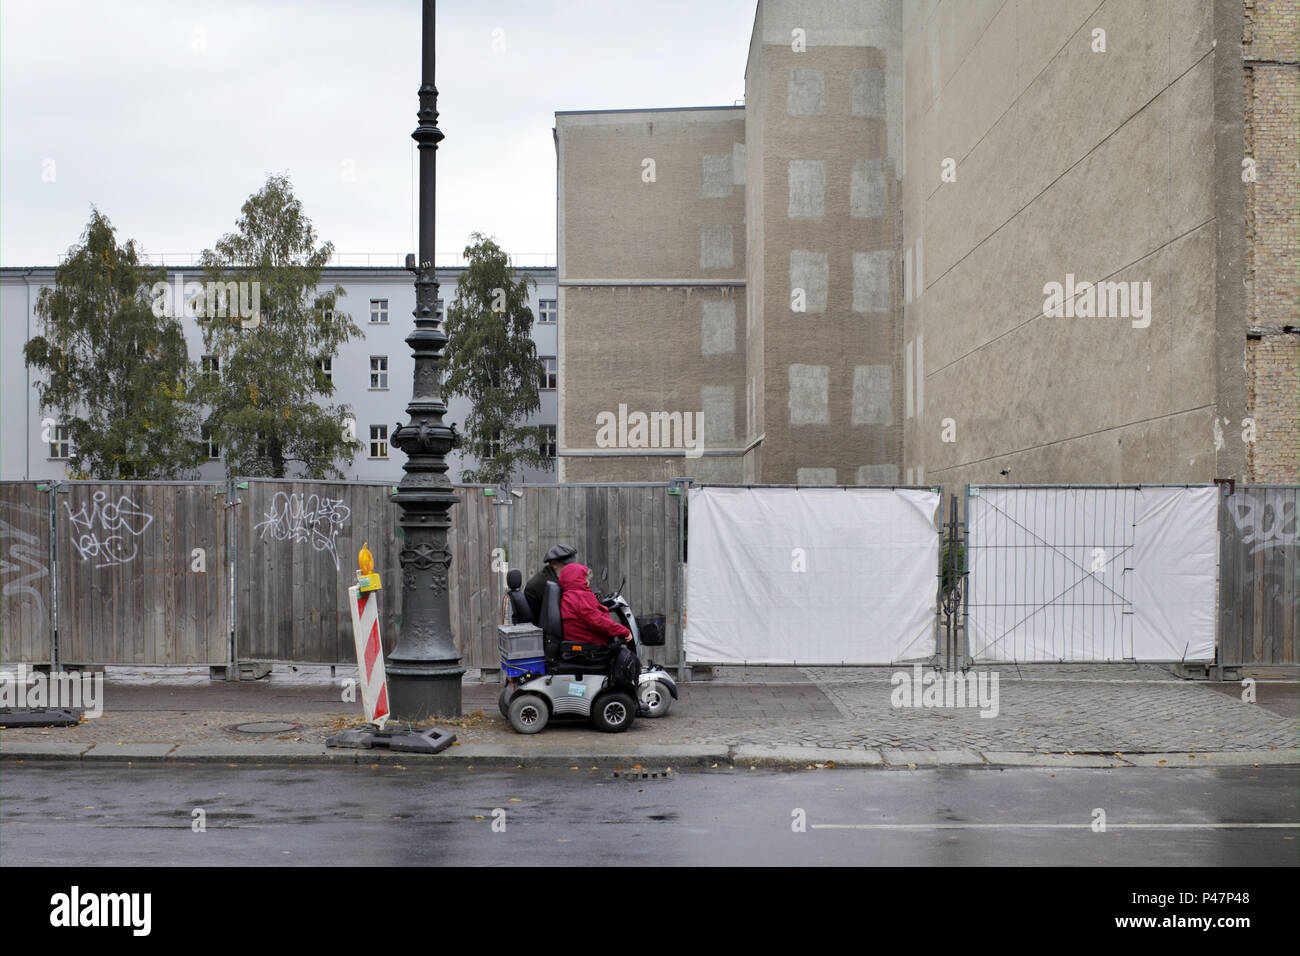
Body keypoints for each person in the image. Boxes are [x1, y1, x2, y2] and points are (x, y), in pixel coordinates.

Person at [558, 562, 630, 647]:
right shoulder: (580, 596)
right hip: (589, 644)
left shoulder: (568, 596)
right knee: (628, 658)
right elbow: (598, 622)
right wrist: (623, 631)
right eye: (586, 579)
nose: (588, 583)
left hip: (578, 639)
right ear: (577, 579)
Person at [524, 544, 577, 622]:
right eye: (568, 565)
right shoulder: (551, 585)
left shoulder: (548, 576)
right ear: (554, 564)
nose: (572, 569)